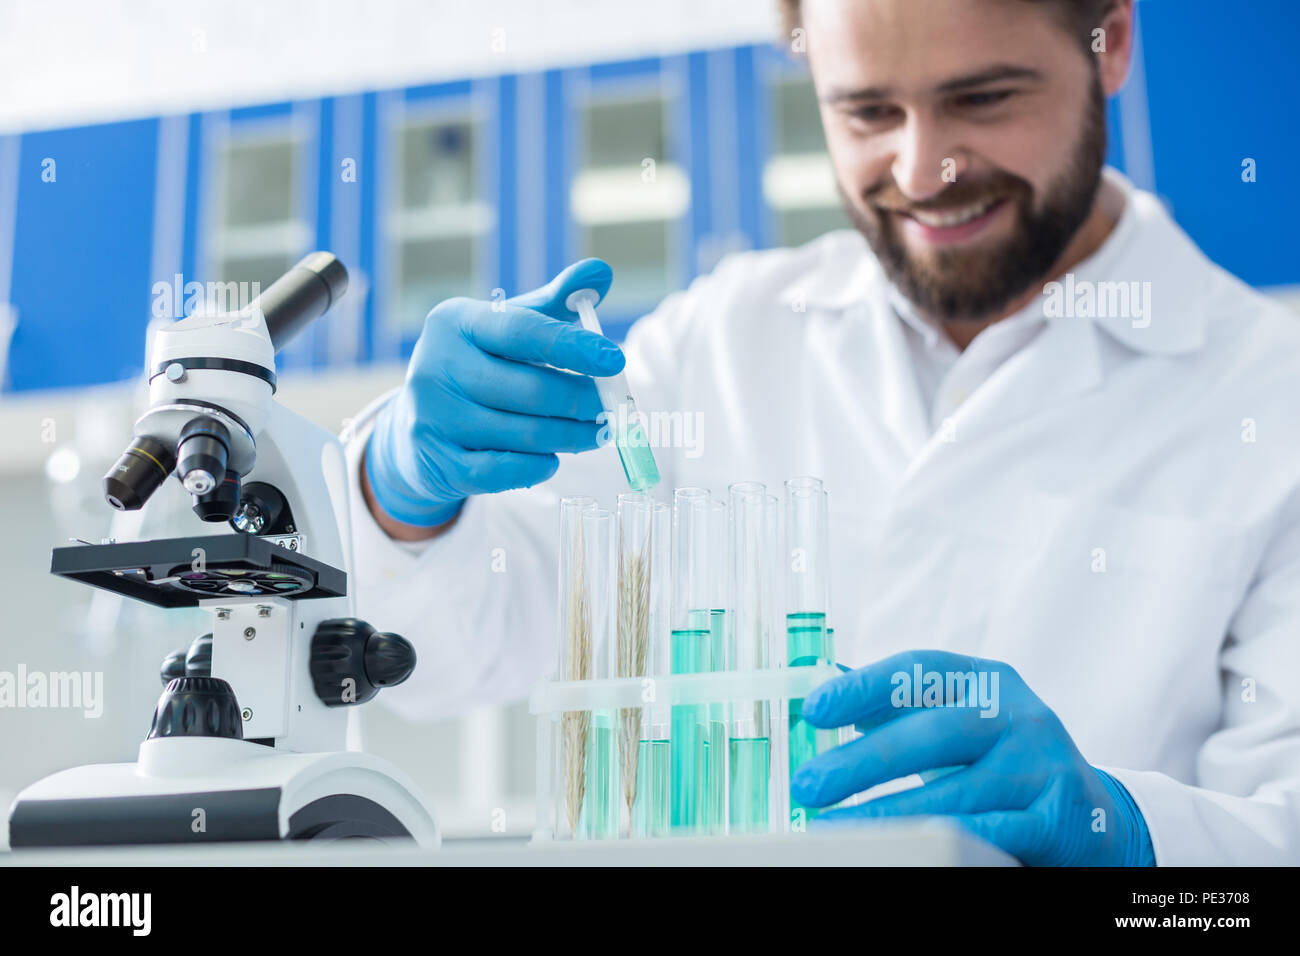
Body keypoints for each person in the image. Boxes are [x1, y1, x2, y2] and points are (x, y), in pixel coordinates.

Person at [340, 0, 1300, 865]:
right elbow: (465, 650)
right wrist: (403, 491)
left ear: (1112, 43)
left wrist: (1126, 835)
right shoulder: (726, 337)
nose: (926, 170)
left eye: (985, 97)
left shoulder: (1269, 393)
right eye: (868, 112)